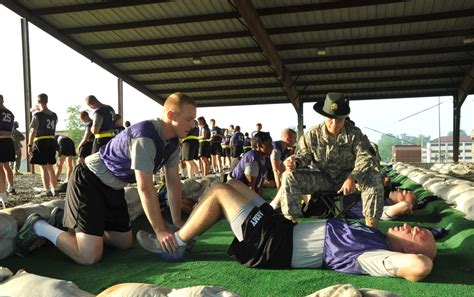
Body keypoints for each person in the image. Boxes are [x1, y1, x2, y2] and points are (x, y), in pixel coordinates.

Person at [15, 92, 197, 265]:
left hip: (113, 187)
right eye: (189, 119)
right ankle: (38, 225)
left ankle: (68, 220)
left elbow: (173, 183)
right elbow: (145, 188)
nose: (193, 124)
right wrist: (160, 231)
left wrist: (177, 223)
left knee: (124, 242)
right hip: (89, 180)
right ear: (171, 114)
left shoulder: (172, 142)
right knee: (89, 256)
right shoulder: (145, 137)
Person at [137, 179, 436, 282]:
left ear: (407, 250)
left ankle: (177, 243)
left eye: (415, 234)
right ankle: (189, 235)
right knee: (235, 184)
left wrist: (424, 257)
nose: (410, 226)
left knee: (218, 191)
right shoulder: (378, 234)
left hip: (273, 247)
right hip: (280, 229)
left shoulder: (377, 256)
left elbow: (420, 265)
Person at [276, 92, 384, 227]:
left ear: (345, 118)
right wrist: (295, 162)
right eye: (330, 118)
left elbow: (365, 157)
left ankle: (371, 227)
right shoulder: (313, 134)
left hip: (348, 179)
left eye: (339, 119)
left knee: (374, 177)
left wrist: (353, 177)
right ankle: (290, 224)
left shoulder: (354, 134)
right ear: (324, 115)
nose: (334, 123)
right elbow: (304, 155)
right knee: (288, 176)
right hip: (323, 178)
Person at [28, 93, 58, 197]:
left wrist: (30, 144)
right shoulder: (54, 115)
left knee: (43, 167)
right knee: (50, 166)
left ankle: (47, 190)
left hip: (41, 141)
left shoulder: (37, 115)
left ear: (38, 102)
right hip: (51, 141)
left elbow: (33, 131)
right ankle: (54, 189)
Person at [230, 131, 273, 196]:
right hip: (234, 188)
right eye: (269, 144)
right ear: (259, 145)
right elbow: (250, 187)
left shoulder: (265, 159)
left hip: (246, 189)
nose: (272, 147)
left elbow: (260, 185)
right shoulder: (252, 158)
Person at [0, 95, 16, 207]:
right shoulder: (10, 113)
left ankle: (3, 198)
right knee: (6, 166)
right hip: (9, 141)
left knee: (1, 168)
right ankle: (10, 187)